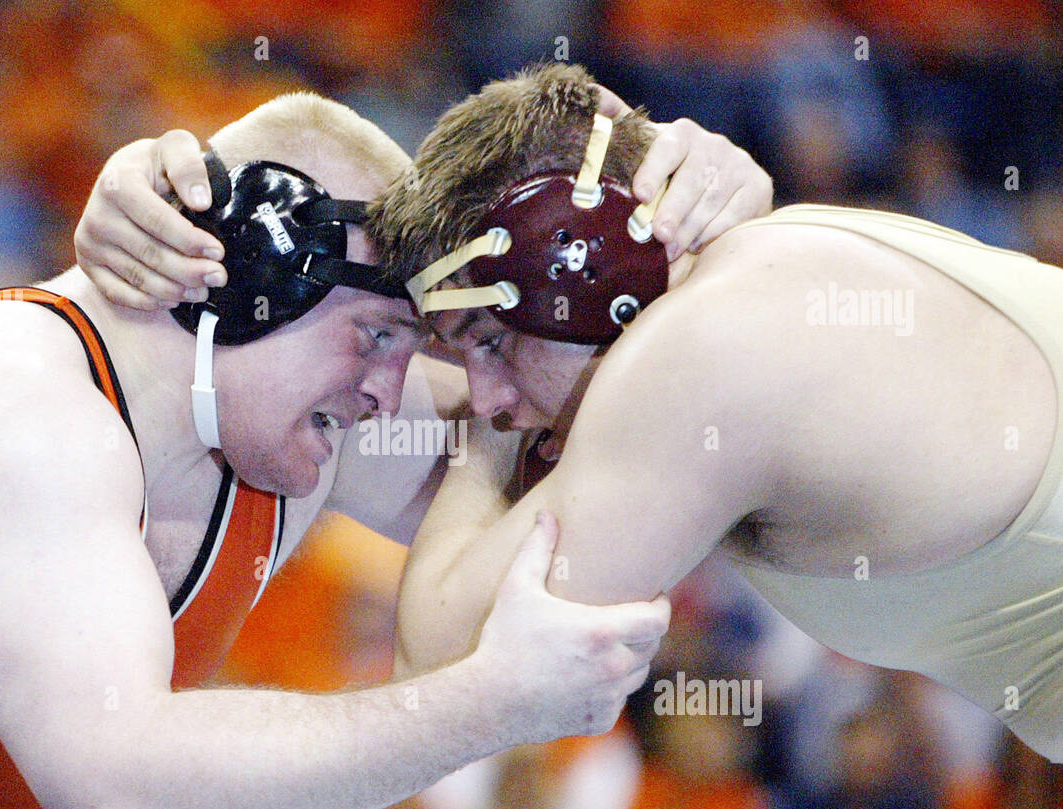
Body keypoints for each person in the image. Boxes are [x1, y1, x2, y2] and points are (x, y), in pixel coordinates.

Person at [0, 86, 770, 809]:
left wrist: (704, 249)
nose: (393, 392)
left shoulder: (269, 415)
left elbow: (585, 456)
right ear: (245, 281)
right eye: (377, 336)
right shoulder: (12, 406)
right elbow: (117, 789)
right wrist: (489, 702)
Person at [363, 63, 1063, 763]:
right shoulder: (759, 277)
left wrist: (486, 444)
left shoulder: (704, 355)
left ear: (589, 270)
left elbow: (442, 673)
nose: (488, 397)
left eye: (489, 342)